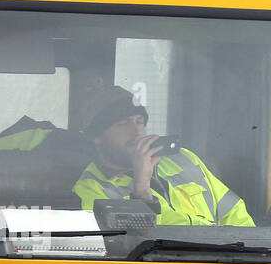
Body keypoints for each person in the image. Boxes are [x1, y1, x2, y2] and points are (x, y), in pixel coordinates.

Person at [72, 86, 253, 227]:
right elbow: (125, 242)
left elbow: (235, 215)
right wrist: (142, 189)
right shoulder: (89, 189)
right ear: (97, 138)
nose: (137, 131)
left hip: (221, 261)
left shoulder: (184, 159)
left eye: (139, 121)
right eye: (122, 124)